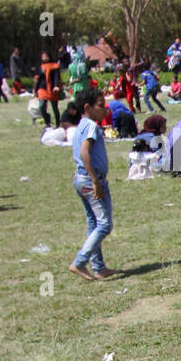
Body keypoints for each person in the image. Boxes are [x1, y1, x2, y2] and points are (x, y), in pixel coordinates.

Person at [68, 92, 117, 281]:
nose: (105, 108)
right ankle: (80, 262)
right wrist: (95, 181)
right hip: (90, 180)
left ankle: (99, 267)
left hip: (81, 179)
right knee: (105, 225)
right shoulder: (89, 126)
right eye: (101, 105)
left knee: (94, 223)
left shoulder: (81, 126)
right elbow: (84, 152)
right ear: (87, 108)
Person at [37, 51, 63, 127]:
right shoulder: (41, 67)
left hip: (52, 89)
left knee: (55, 108)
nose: (45, 58)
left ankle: (58, 124)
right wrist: (35, 90)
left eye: (46, 56)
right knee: (41, 106)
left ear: (49, 57)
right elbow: (39, 79)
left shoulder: (55, 66)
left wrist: (56, 86)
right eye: (43, 57)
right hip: (43, 89)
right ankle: (47, 121)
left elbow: (56, 77)